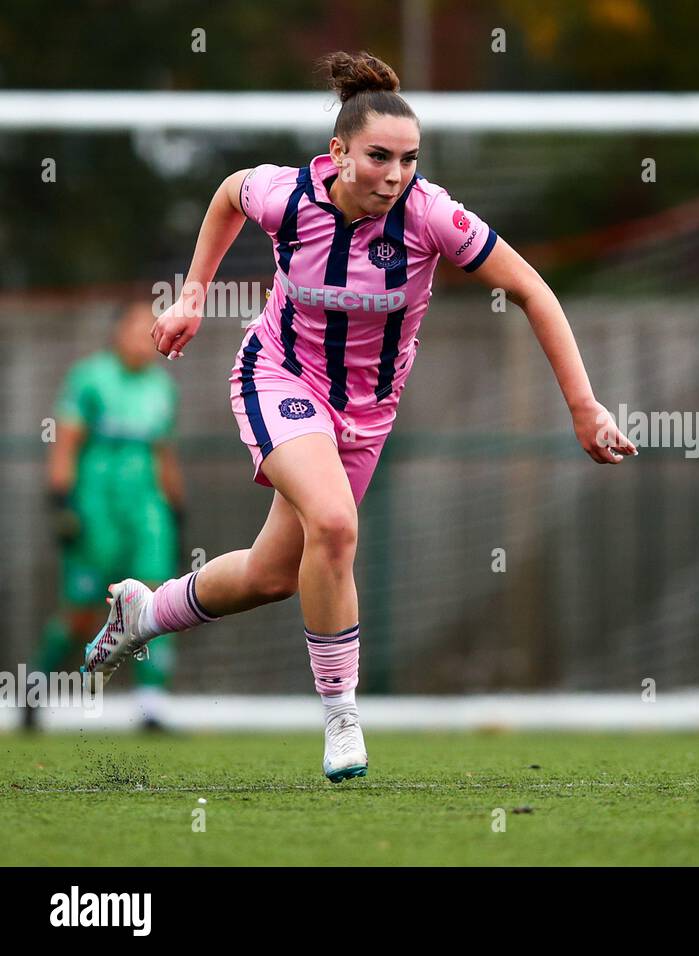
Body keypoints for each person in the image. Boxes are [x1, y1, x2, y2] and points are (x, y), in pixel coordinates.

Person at [82, 51, 636, 781]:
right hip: (276, 376)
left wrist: (584, 405)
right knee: (336, 526)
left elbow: (534, 290)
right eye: (378, 157)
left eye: (409, 160)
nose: (395, 175)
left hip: (365, 417)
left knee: (272, 574)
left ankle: (144, 615)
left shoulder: (432, 216)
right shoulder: (289, 198)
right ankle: (342, 719)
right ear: (338, 152)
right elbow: (227, 194)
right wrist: (192, 294)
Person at [34, 301, 184, 731]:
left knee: (157, 600)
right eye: (137, 327)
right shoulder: (90, 379)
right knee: (81, 609)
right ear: (117, 332)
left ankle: (152, 702)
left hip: (147, 510)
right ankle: (35, 688)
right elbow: (66, 444)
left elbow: (164, 454)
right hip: (96, 508)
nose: (145, 336)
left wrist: (177, 507)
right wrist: (61, 502)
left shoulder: (161, 388)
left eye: (150, 328)